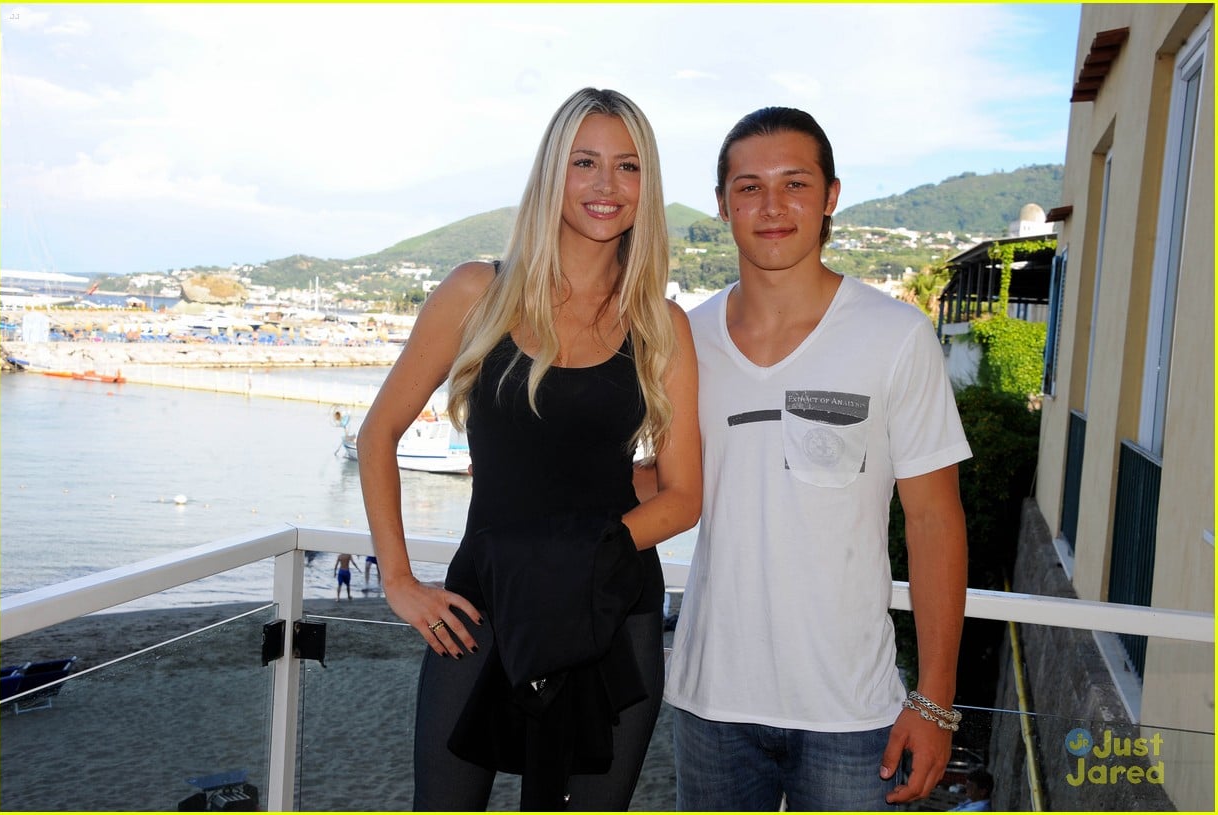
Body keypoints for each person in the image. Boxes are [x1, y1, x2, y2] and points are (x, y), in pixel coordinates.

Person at [357, 87, 701, 811]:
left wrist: (589, 551)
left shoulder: (662, 323)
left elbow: (684, 496)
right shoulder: (477, 292)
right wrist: (397, 578)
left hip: (612, 611)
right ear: (553, 173)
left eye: (628, 167)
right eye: (586, 162)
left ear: (649, 185)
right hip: (479, 606)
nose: (607, 186)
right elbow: (379, 432)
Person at [662, 106, 971, 810]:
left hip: (853, 715)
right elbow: (668, 485)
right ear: (722, 205)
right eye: (749, 187)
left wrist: (936, 700)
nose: (772, 206)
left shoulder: (896, 335)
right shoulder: (687, 337)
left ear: (831, 196)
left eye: (794, 183)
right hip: (710, 703)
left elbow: (934, 522)